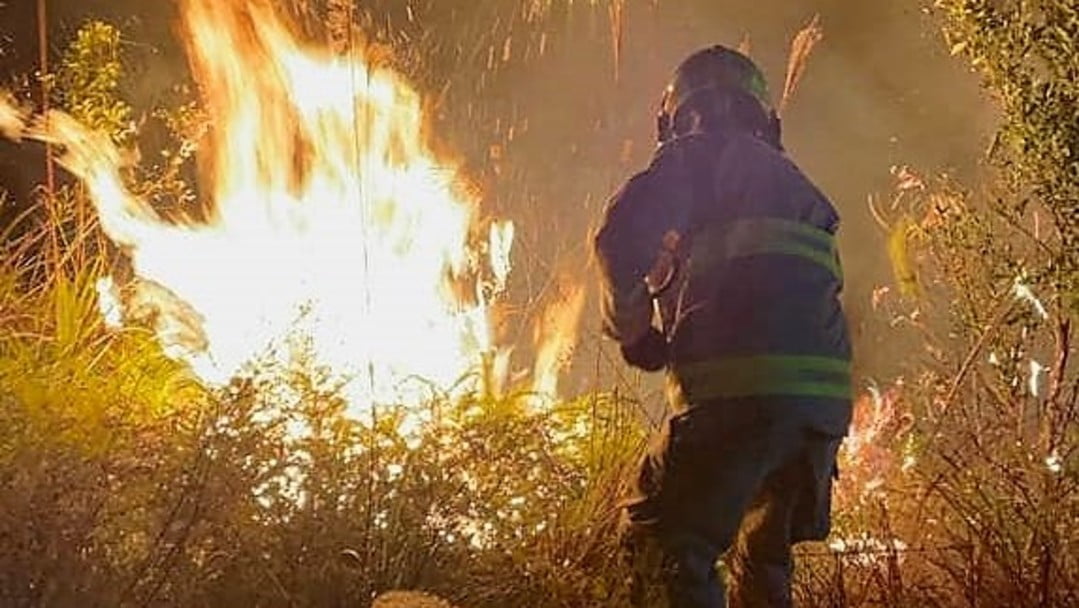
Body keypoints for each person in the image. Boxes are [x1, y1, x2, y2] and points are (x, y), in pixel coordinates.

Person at [593, 45, 853, 607]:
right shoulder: (802, 187)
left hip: (736, 401)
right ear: (767, 120)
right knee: (763, 564)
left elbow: (617, 242)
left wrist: (635, 329)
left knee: (662, 546)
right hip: (818, 418)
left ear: (677, 118)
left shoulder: (693, 157)